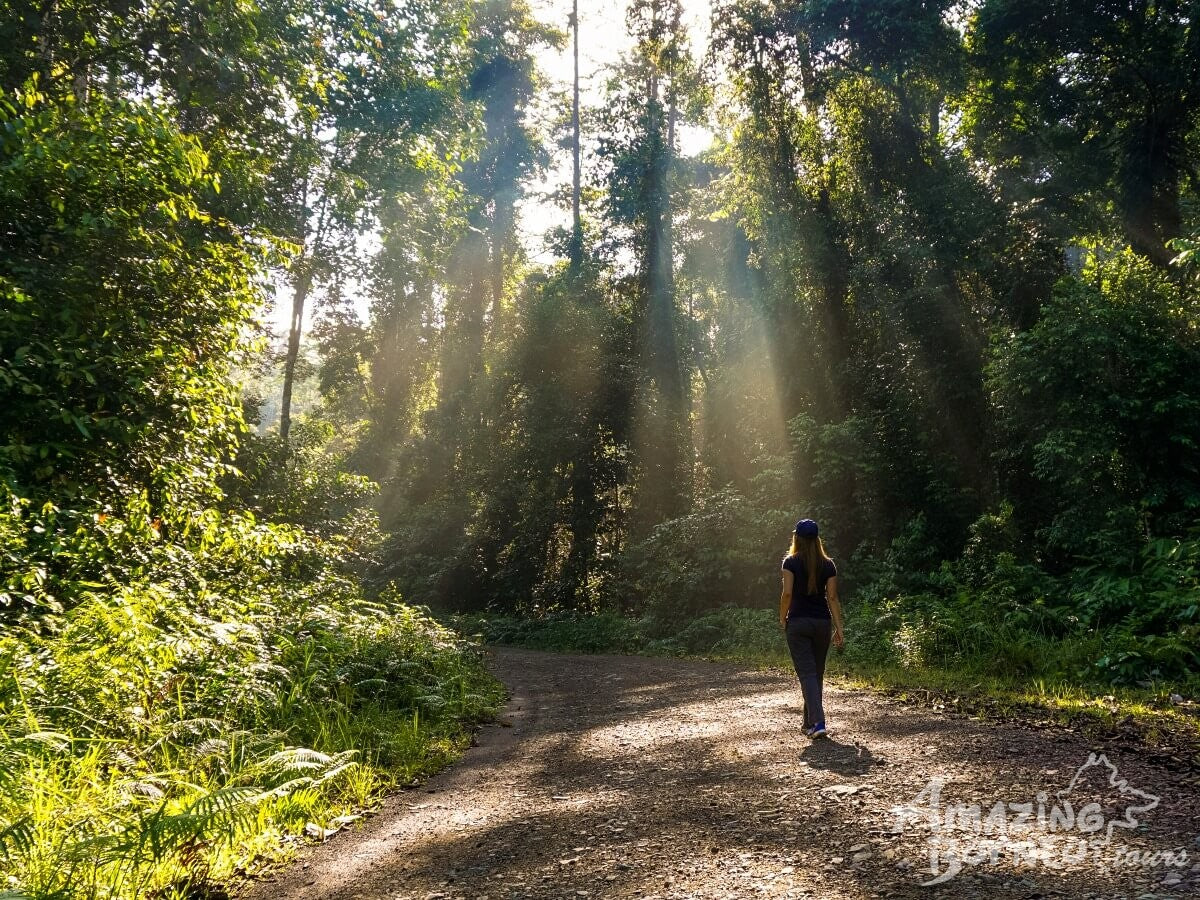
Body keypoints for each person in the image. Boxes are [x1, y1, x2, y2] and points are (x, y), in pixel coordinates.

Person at [779, 518, 844, 739]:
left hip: (798, 623)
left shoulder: (790, 562)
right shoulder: (829, 565)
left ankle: (818, 722)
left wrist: (782, 617)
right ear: (817, 540)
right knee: (816, 673)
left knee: (807, 673)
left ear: (796, 537)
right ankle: (808, 722)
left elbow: (787, 593)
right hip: (822, 624)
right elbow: (833, 597)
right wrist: (839, 628)